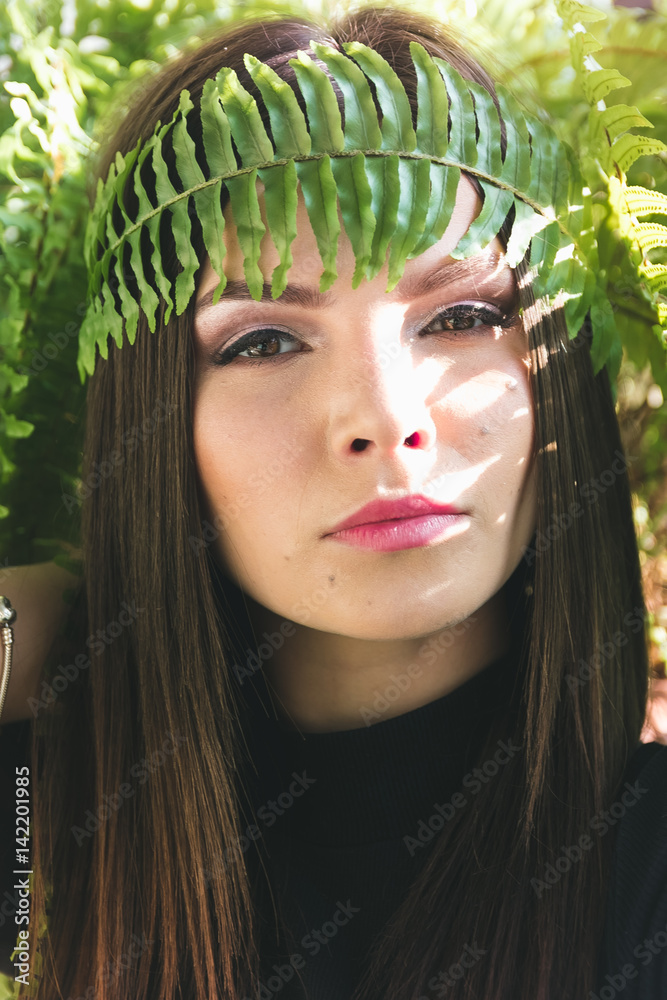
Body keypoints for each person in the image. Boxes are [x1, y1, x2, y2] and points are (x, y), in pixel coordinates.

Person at [2, 5, 666, 999]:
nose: (385, 418)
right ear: (152, 427)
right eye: (262, 341)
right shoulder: (50, 837)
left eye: (463, 315)